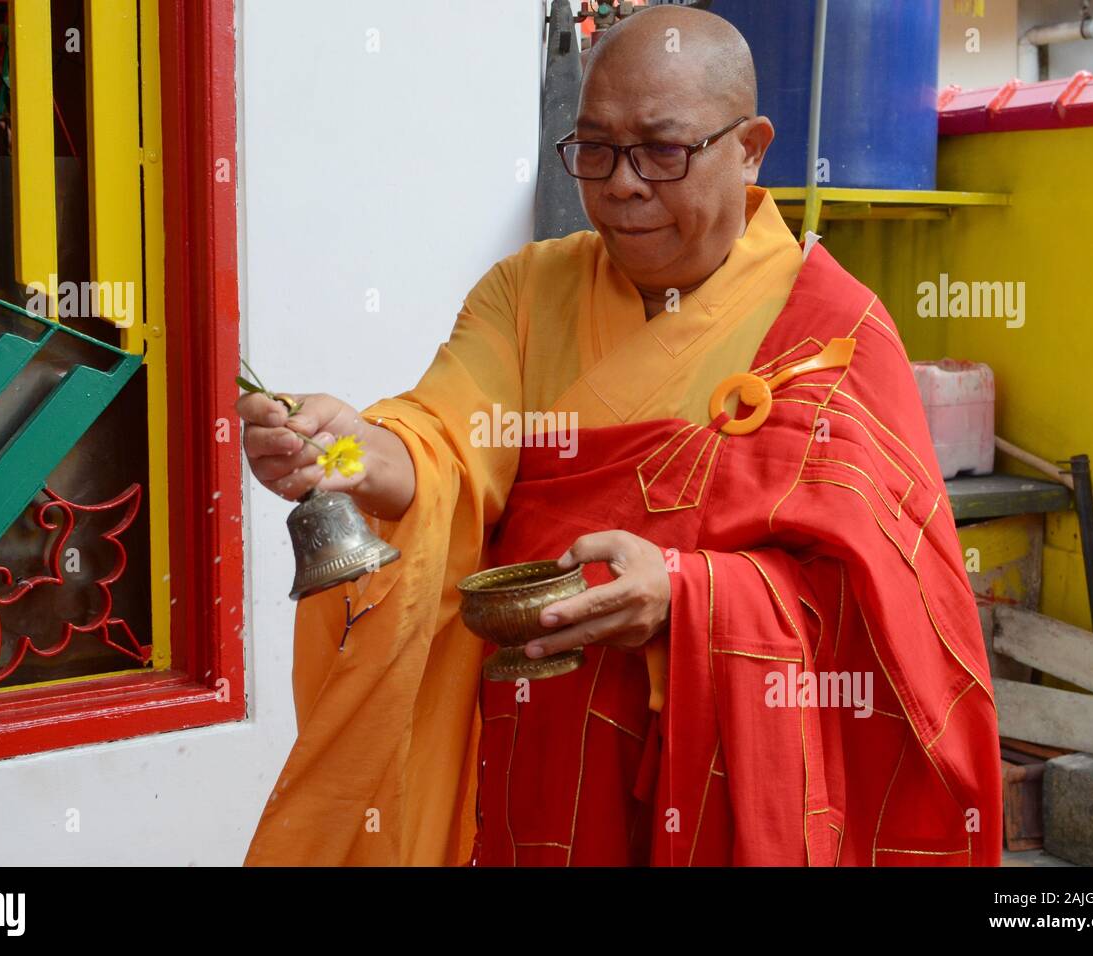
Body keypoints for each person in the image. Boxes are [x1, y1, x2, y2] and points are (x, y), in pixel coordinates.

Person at [240, 5, 1001, 866]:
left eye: (662, 151)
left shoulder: (831, 336)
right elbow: (441, 445)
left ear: (751, 147)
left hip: (718, 776)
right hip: (532, 754)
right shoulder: (528, 297)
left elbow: (894, 615)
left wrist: (686, 595)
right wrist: (337, 455)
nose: (622, 184)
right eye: (594, 149)